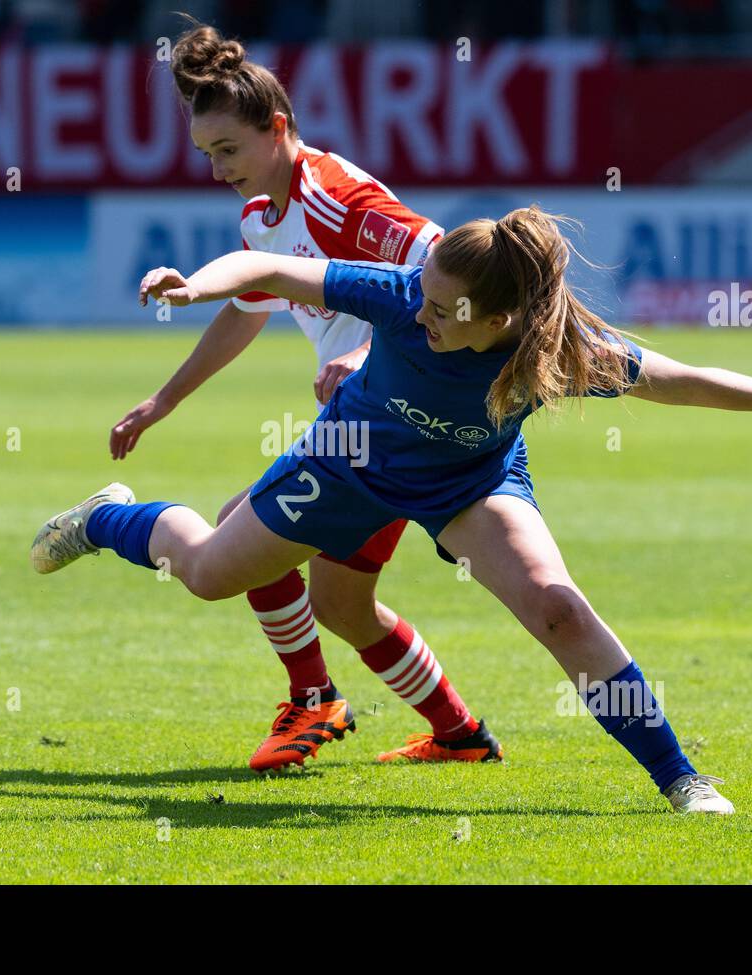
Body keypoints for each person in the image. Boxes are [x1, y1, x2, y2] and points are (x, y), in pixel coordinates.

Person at [35, 205, 752, 813]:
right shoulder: (404, 294)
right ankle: (112, 516)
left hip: (469, 486)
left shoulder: (556, 347)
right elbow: (266, 268)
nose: (422, 313)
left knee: (558, 606)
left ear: (505, 318)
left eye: (445, 309)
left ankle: (682, 778)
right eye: (423, 294)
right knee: (207, 573)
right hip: (347, 463)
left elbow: (681, 380)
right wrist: (194, 287)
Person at [109, 21, 501, 771]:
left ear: (278, 128)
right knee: (344, 605)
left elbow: (450, 273)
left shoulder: (342, 200)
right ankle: (458, 735)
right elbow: (247, 309)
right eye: (207, 155)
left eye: (229, 150)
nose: (219, 169)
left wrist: (361, 348)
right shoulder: (262, 212)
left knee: (238, 534)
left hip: (392, 415)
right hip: (374, 424)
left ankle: (312, 701)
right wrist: (165, 400)